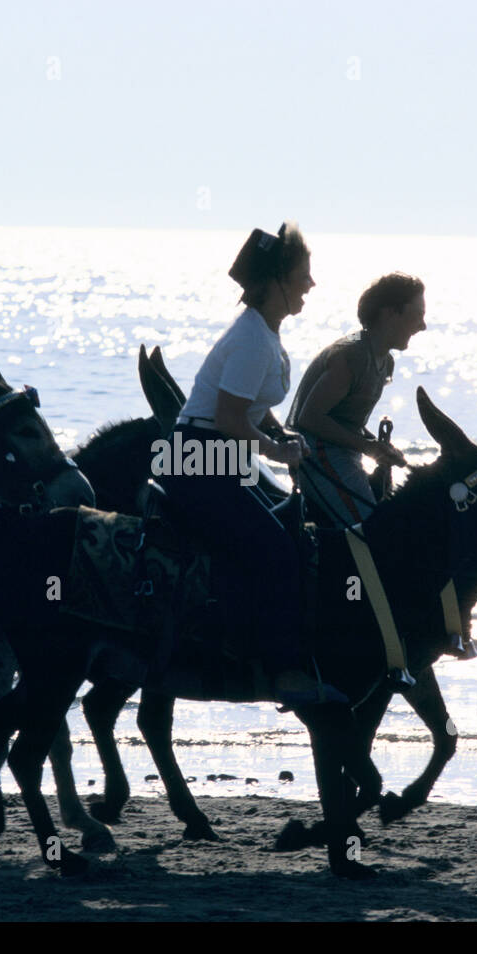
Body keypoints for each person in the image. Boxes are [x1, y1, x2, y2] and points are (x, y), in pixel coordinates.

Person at [163, 221, 340, 704]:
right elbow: (228, 418)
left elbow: (253, 410)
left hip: (218, 457)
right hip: (197, 460)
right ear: (278, 280)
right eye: (304, 274)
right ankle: (280, 671)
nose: (311, 284)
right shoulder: (252, 340)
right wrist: (277, 450)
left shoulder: (264, 334)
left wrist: (280, 431)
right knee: (275, 550)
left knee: (293, 533)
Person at [287, 272, 425, 527]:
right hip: (315, 452)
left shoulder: (385, 361)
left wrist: (378, 447)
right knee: (368, 527)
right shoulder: (352, 355)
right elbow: (310, 418)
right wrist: (368, 448)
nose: (422, 325)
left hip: (342, 454)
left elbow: (344, 420)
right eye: (417, 314)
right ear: (389, 313)